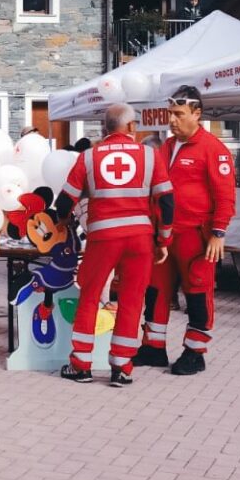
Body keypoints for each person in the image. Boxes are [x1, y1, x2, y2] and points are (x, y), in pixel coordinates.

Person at [53, 104, 173, 386]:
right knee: (131, 300)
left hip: (103, 238)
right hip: (140, 238)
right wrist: (163, 239)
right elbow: (167, 201)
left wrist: (61, 221)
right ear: (131, 127)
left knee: (90, 296)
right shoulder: (150, 155)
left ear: (104, 128)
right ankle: (122, 367)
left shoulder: (88, 157)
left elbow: (65, 200)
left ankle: (81, 365)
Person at [136, 86, 236, 376]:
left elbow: (225, 195)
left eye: (179, 114)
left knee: (197, 291)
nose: (172, 120)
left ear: (197, 113)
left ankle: (195, 352)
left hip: (196, 234)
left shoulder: (213, 149)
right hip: (165, 235)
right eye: (170, 114)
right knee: (156, 290)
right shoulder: (166, 147)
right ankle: (153, 347)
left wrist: (218, 232)